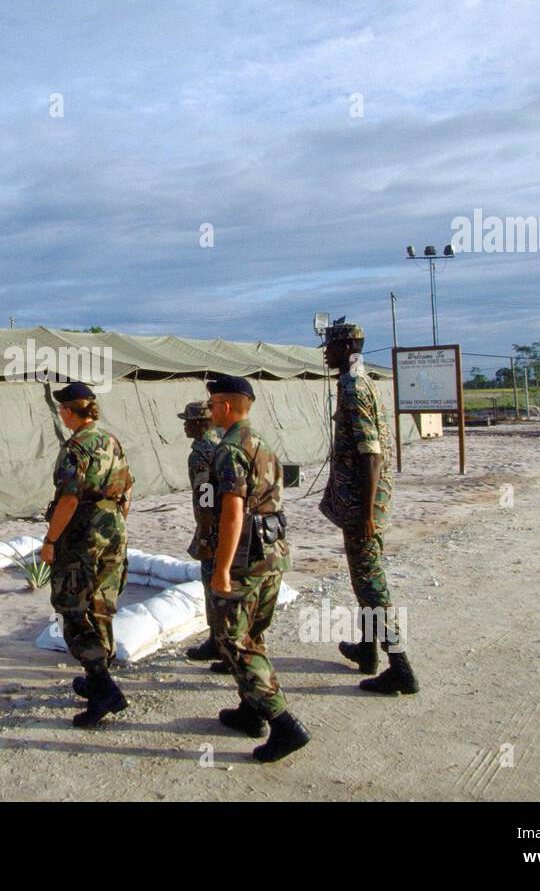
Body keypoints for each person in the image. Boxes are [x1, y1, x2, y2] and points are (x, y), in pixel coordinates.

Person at [206, 374, 311, 763]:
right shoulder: (263, 444)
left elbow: (233, 513)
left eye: (214, 404)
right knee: (254, 634)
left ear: (228, 407)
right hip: (272, 554)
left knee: (233, 639)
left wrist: (222, 569)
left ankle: (284, 723)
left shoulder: (230, 449)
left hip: (247, 558)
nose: (211, 410)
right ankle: (251, 710)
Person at [319, 321, 419, 695]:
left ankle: (401, 666)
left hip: (364, 504)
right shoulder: (361, 380)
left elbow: (371, 455)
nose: (326, 353)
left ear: (346, 346)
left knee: (372, 584)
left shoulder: (353, 386)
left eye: (330, 347)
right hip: (364, 501)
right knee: (362, 579)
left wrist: (364, 515)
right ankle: (366, 649)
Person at [40, 382, 135, 727]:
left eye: (62, 410)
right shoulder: (112, 441)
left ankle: (103, 686)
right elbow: (128, 487)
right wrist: (114, 522)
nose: (61, 415)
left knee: (73, 605)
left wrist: (51, 540)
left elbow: (68, 499)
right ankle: (99, 679)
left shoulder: (74, 448)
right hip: (113, 529)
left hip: (82, 536)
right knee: (102, 603)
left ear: (68, 411)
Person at [179, 400, 226, 666]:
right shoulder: (222, 443)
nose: (185, 426)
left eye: (188, 421)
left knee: (213, 584)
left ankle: (219, 642)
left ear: (199, 423)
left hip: (213, 527)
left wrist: (206, 532)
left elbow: (205, 494)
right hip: (229, 523)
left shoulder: (201, 453)